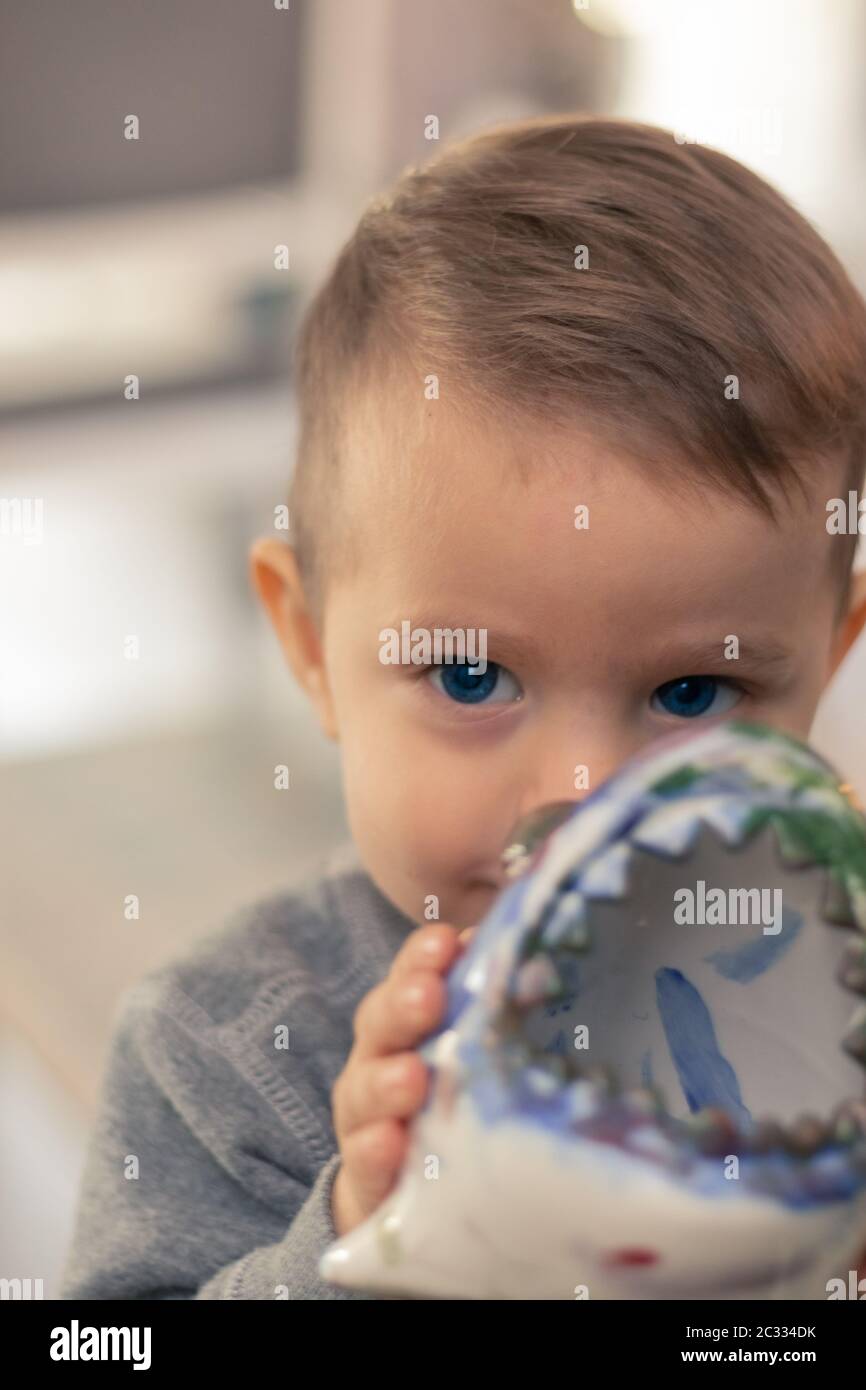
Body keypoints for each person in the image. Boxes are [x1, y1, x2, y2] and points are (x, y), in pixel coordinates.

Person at [60, 115, 866, 1299]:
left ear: (827, 659)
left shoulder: (829, 994)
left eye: (691, 691)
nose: (581, 798)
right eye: (471, 677)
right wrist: (365, 1239)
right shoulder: (222, 1049)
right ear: (309, 645)